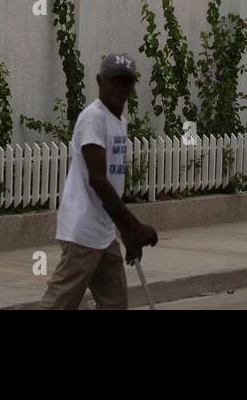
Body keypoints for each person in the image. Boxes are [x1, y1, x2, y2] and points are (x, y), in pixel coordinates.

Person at [40, 52, 159, 309]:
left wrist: (126, 233)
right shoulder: (94, 118)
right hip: (83, 232)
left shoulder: (119, 121)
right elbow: (98, 181)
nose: (120, 88)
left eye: (126, 82)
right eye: (114, 81)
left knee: (115, 302)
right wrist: (135, 226)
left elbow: (110, 187)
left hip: (103, 234)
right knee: (59, 303)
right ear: (99, 80)